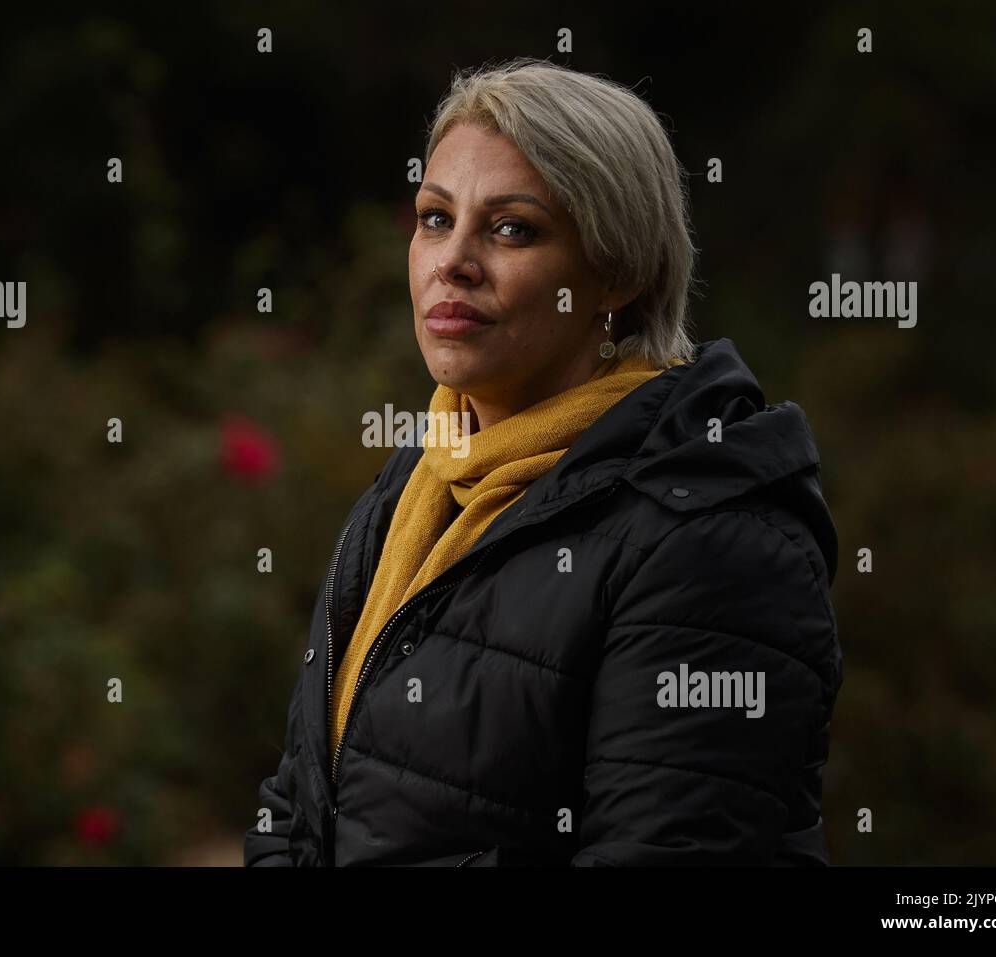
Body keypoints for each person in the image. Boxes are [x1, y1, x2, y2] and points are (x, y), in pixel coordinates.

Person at [244, 56, 842, 866]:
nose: (452, 260)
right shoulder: (420, 482)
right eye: (433, 218)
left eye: (512, 228)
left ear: (617, 274)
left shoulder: (706, 530)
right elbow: (300, 798)